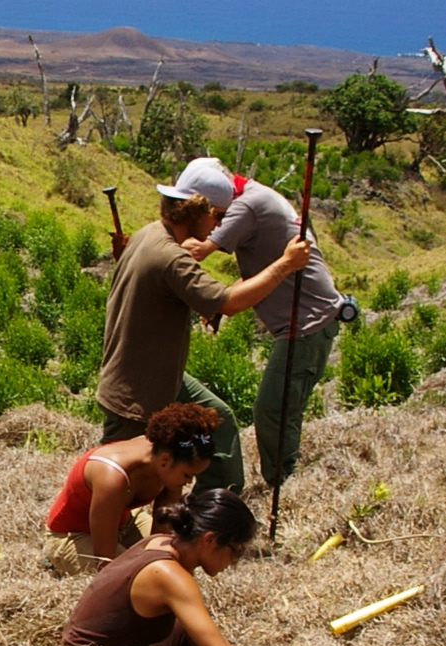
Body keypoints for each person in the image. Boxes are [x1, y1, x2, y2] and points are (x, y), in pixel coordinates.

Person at [96, 185, 311, 493]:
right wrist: (286, 264)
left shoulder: (148, 235)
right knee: (118, 478)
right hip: (135, 391)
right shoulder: (170, 257)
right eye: (217, 216)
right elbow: (230, 303)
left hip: (158, 373)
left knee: (217, 420)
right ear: (194, 211)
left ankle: (216, 502)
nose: (218, 226)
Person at [169, 158, 347, 490]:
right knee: (281, 408)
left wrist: (156, 244)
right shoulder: (256, 196)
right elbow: (258, 270)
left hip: (306, 323)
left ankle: (284, 484)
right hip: (308, 322)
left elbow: (197, 250)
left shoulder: (246, 206)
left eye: (210, 212)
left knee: (273, 410)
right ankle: (283, 478)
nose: (213, 220)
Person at [57, 489, 292, 646]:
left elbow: (202, 641)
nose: (235, 561)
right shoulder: (169, 574)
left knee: (193, 624)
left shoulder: (161, 542)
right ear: (209, 540)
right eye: (236, 550)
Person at [41, 401, 219, 576]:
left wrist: (162, 559)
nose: (189, 482)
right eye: (187, 475)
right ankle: (55, 561)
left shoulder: (164, 458)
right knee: (135, 576)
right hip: (73, 535)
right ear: (165, 460)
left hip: (124, 521)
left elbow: (162, 532)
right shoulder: (112, 478)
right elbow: (104, 560)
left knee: (178, 553)